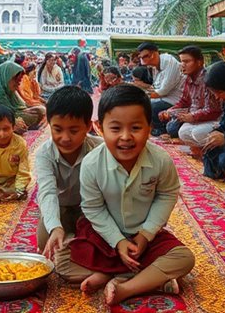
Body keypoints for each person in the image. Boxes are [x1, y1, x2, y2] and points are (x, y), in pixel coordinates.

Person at [54, 84, 195, 306]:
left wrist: (145, 235)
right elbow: (93, 208)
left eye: (136, 128)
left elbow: (167, 194)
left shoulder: (160, 160)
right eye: (116, 128)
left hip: (145, 236)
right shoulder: (92, 164)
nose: (126, 137)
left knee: (184, 258)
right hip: (105, 235)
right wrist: (118, 241)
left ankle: (124, 287)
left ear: (149, 128)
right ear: (100, 128)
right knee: (62, 263)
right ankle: (151, 279)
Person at [36, 86, 103, 260]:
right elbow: (47, 192)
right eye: (57, 129)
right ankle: (74, 240)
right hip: (61, 207)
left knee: (101, 238)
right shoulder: (45, 153)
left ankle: (77, 241)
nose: (65, 138)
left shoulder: (100, 149)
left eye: (74, 131)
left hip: (91, 208)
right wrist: (55, 227)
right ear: (49, 124)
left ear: (88, 126)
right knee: (45, 240)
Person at [158, 46, 221, 144]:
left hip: (213, 119)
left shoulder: (208, 80)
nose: (182, 65)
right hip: (195, 118)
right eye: (181, 61)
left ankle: (206, 154)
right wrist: (170, 111)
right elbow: (184, 102)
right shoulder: (188, 79)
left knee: (197, 133)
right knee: (180, 131)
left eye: (186, 62)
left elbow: (214, 110)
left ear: (199, 62)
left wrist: (192, 116)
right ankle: (196, 152)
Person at [136, 42, 186, 136]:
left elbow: (163, 91)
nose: (142, 60)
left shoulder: (169, 61)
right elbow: (155, 88)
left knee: (150, 105)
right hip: (165, 99)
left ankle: (161, 130)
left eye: (144, 56)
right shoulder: (154, 67)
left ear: (153, 54)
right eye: (140, 57)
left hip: (176, 101)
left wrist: (141, 96)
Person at [0, 61, 46, 132]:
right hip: (0, 122)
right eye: (16, 80)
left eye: (19, 81)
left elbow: (22, 106)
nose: (18, 83)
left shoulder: (11, 90)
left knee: (41, 110)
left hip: (15, 116)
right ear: (6, 77)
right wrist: (14, 122)